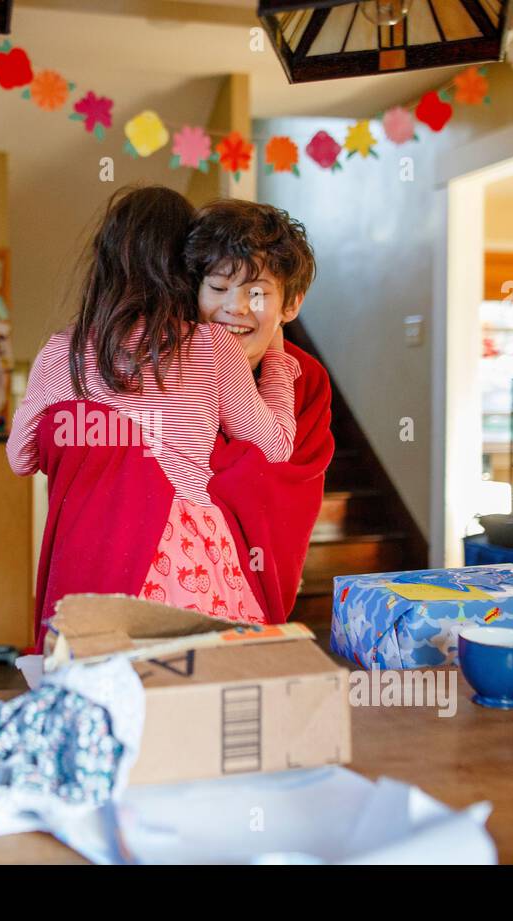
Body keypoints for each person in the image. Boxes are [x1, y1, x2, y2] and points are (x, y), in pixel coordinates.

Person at [7, 186, 300, 648]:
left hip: (91, 558)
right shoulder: (212, 347)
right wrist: (278, 355)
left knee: (109, 694)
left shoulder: (62, 353)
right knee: (201, 697)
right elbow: (274, 444)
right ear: (187, 269)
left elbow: (20, 456)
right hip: (189, 558)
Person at [188, 199, 335, 626]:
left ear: (291, 305)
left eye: (257, 292)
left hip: (251, 589)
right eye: (217, 289)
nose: (235, 307)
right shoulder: (173, 366)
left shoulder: (306, 378)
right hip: (180, 575)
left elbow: (287, 479)